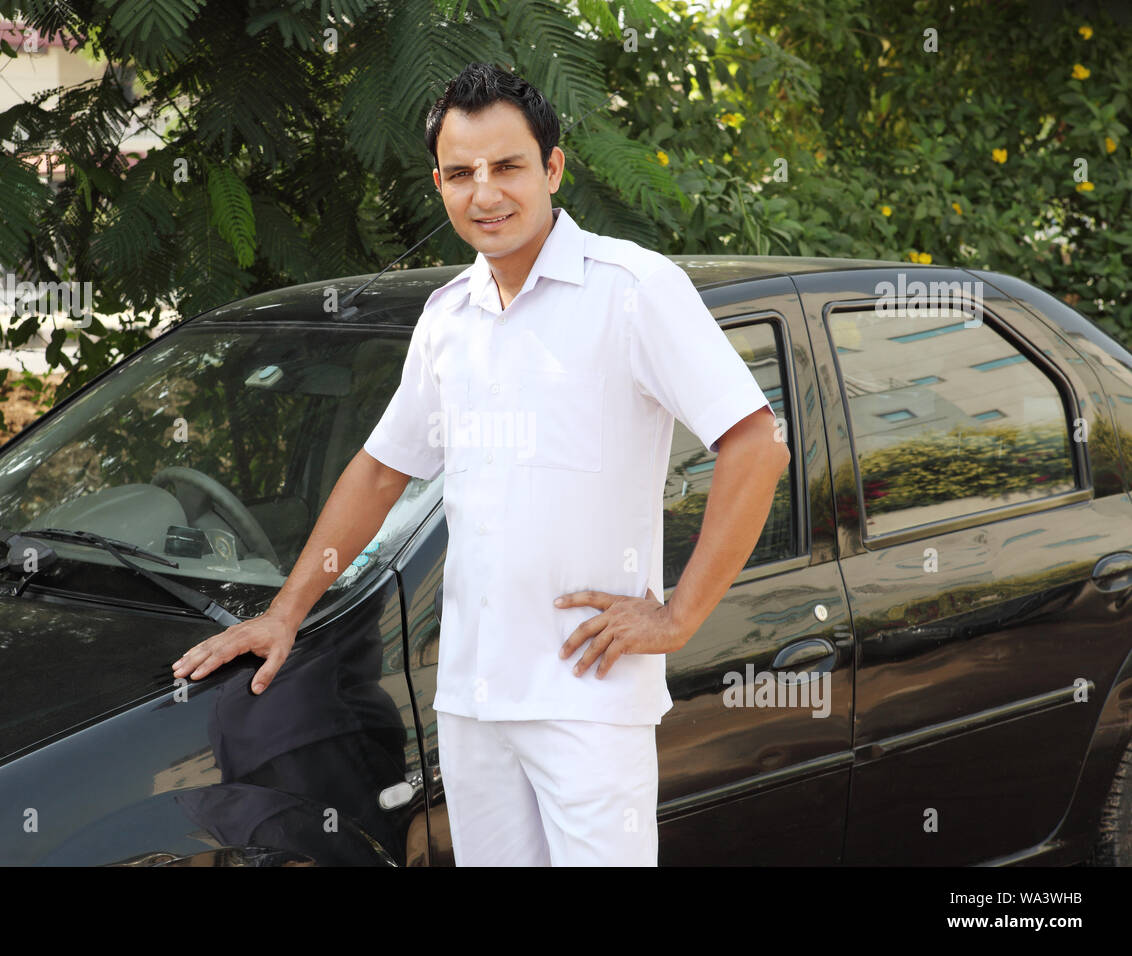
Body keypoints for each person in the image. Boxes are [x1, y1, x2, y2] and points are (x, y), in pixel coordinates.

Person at [173, 62, 791, 866]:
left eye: (507, 167)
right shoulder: (448, 318)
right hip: (472, 700)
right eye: (462, 174)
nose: (486, 193)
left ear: (553, 168)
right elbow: (380, 471)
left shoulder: (633, 289)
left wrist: (678, 616)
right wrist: (287, 611)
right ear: (439, 184)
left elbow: (755, 443)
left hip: (588, 700)